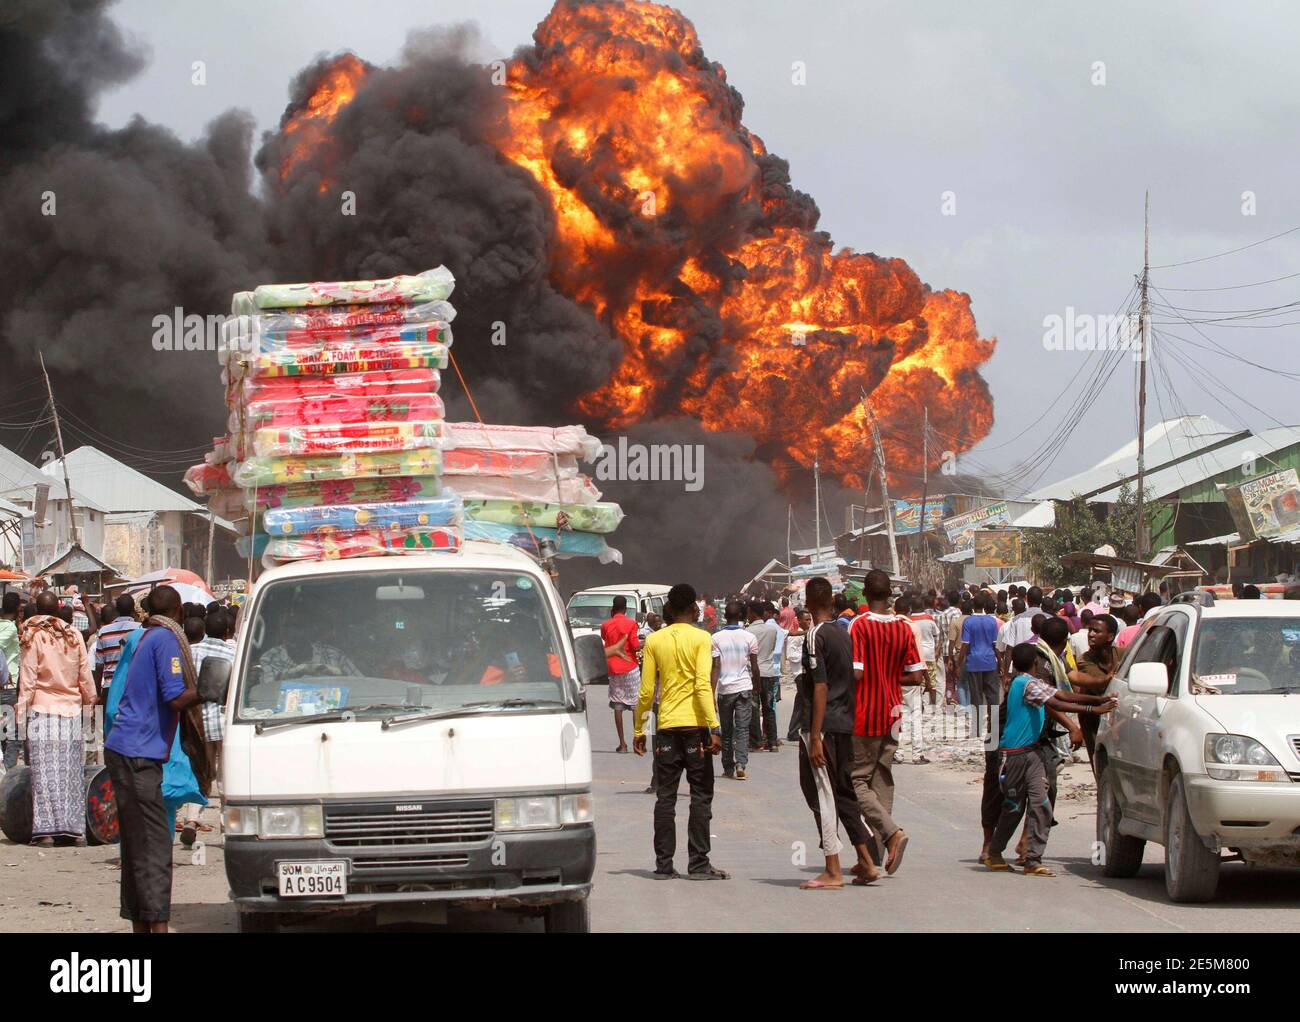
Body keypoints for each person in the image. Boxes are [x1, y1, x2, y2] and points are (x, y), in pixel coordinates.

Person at [104, 585, 206, 933]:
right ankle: (157, 926)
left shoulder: (145, 636)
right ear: (178, 611)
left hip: (125, 748)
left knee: (136, 847)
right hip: (137, 755)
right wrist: (207, 690)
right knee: (156, 847)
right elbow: (175, 697)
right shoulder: (164, 640)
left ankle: (141, 924)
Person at [985, 643, 1115, 875]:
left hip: (1031, 754)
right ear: (1036, 663)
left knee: (1041, 803)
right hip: (1015, 755)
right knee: (1014, 808)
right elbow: (1057, 702)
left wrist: (1098, 701)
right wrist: (1093, 708)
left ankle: (1033, 859)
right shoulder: (1027, 684)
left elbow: (1062, 695)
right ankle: (995, 852)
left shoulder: (1026, 682)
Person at [633, 584, 727, 880]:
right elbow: (702, 684)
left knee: (666, 798)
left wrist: (640, 729)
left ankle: (663, 865)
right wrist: (714, 727)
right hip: (696, 729)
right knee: (700, 796)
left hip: (667, 729)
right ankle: (698, 864)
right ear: (694, 609)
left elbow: (647, 690)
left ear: (670, 609)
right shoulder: (702, 638)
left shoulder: (654, 640)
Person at [798, 577, 879, 889]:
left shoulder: (815, 634)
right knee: (843, 794)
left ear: (808, 602)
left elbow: (820, 685)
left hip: (825, 727)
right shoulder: (844, 634)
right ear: (831, 601)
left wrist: (815, 735)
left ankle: (833, 869)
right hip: (845, 722)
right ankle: (867, 861)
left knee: (821, 795)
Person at [849, 569, 925, 874]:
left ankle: (892, 833)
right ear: (891, 593)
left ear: (865, 593)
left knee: (854, 781)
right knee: (881, 780)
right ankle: (873, 857)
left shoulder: (859, 625)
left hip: (865, 714)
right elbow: (916, 675)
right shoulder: (904, 628)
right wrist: (888, 676)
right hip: (893, 712)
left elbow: (856, 672)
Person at [18, 591, 97, 846]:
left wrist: (20, 714)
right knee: (71, 773)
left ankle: (48, 833)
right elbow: (85, 674)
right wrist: (90, 702)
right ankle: (74, 832)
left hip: (43, 710)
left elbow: (29, 680)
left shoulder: (34, 636)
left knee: (45, 774)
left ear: (37, 609)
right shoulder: (73, 635)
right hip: (72, 712)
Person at [177, 608, 234, 847]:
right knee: (225, 778)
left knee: (199, 772)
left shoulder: (190, 652)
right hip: (223, 722)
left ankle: (191, 819)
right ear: (228, 631)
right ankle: (225, 829)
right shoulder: (233, 653)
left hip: (197, 723)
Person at [711, 601, 760, 780]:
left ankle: (728, 767)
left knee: (727, 729)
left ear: (725, 617)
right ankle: (741, 764)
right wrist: (758, 686)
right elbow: (754, 666)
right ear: (741, 616)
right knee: (742, 729)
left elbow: (715, 667)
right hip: (744, 688)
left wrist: (711, 691)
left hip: (725, 689)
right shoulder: (749, 638)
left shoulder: (716, 638)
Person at [1068, 612, 1122, 767]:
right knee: (1100, 765)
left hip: (1120, 718)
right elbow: (1102, 686)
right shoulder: (1085, 660)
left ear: (1110, 636)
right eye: (1090, 630)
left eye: (1097, 631)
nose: (1090, 634)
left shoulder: (1123, 654)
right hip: (1093, 719)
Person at [599, 595, 641, 754]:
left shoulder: (605, 624)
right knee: (635, 704)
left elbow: (606, 639)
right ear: (625, 608)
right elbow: (635, 646)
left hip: (613, 669)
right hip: (630, 667)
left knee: (618, 705)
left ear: (612, 608)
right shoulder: (631, 624)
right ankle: (637, 742)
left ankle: (622, 744)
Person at [956, 593, 1001, 729]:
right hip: (989, 660)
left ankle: (977, 726)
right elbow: (995, 644)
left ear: (973, 606)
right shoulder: (992, 621)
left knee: (976, 695)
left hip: (973, 661)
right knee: (992, 695)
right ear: (984, 606)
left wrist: (959, 663)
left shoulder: (968, 622)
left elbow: (965, 644)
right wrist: (1000, 660)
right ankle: (993, 725)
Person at [746, 600, 781, 752]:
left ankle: (757, 741)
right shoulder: (772, 630)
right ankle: (772, 741)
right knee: (769, 707)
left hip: (753, 673)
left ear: (753, 613)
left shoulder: (747, 632)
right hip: (768, 671)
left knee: (754, 708)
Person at [93, 594, 141, 703]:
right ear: (133, 608)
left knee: (107, 719)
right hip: (133, 686)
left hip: (110, 687)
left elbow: (99, 665)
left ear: (116, 609)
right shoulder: (140, 629)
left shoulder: (104, 631)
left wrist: (98, 692)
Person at [0, 592, 22, 770]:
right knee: (14, 734)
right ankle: (9, 773)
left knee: (3, 733)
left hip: (5, 686)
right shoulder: (10, 628)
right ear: (17, 610)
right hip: (9, 686)